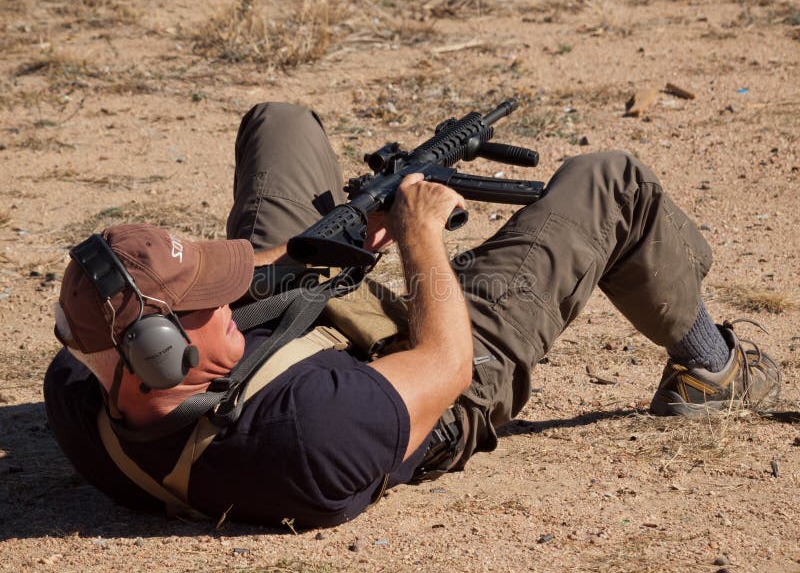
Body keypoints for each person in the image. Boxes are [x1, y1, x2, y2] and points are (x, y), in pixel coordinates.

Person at [44, 102, 781, 528]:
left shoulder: (84, 392)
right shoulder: (310, 430)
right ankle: (713, 368)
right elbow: (446, 362)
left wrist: (308, 252)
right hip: (424, 368)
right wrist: (416, 236)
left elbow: (120, 331)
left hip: (308, 321)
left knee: (282, 123)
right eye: (208, 301)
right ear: (159, 350)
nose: (226, 297)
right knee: (609, 180)